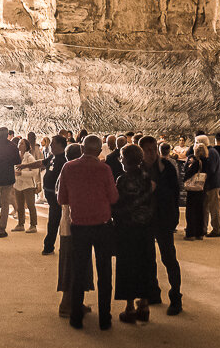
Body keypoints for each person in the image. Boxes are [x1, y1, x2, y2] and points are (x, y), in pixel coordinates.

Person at [57, 135, 119, 330]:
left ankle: (76, 317)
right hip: (101, 224)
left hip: (79, 225)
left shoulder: (69, 167)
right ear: (99, 151)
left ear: (82, 148)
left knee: (78, 270)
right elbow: (114, 197)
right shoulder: (104, 169)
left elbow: (61, 199)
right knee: (104, 272)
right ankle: (105, 318)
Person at [112, 145, 157, 323]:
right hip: (145, 228)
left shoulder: (122, 179)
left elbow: (117, 204)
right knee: (145, 265)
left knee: (127, 266)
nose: (120, 160)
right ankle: (144, 305)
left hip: (127, 229)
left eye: (122, 157)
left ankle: (130, 307)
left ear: (127, 160)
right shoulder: (148, 179)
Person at [140, 136, 183, 314]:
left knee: (169, 258)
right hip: (146, 220)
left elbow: (175, 193)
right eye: (147, 150)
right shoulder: (138, 169)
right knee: (148, 259)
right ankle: (153, 292)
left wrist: (157, 188)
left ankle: (175, 297)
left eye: (153, 149)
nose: (151, 153)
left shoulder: (167, 168)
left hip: (163, 218)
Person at [56, 143, 93, 316]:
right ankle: (67, 303)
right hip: (74, 225)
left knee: (74, 262)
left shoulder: (66, 171)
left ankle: (74, 301)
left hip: (69, 224)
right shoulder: (72, 172)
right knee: (72, 263)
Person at [42, 135, 67, 255]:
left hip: (57, 196)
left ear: (60, 145)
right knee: (52, 220)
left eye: (53, 143)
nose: (51, 145)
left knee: (54, 221)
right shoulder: (52, 156)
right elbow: (42, 163)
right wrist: (25, 166)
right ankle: (49, 245)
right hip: (50, 195)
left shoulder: (64, 160)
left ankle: (49, 246)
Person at [197, 133, 220, 237]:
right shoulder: (211, 151)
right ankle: (204, 228)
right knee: (206, 207)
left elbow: (211, 169)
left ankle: (216, 230)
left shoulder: (211, 152)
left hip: (212, 184)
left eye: (196, 143)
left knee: (214, 208)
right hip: (210, 184)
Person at [181, 142, 209, 240]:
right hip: (202, 188)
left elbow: (187, 171)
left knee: (191, 211)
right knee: (200, 211)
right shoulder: (206, 160)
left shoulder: (194, 161)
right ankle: (199, 233)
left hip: (193, 189)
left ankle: (190, 233)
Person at [13, 138, 41, 233]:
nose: (20, 145)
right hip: (18, 184)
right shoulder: (16, 156)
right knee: (19, 206)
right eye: (19, 143)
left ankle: (33, 225)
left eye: (22, 143)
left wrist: (22, 174)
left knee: (30, 205)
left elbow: (35, 172)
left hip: (28, 185)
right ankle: (20, 224)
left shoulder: (29, 157)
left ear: (26, 146)